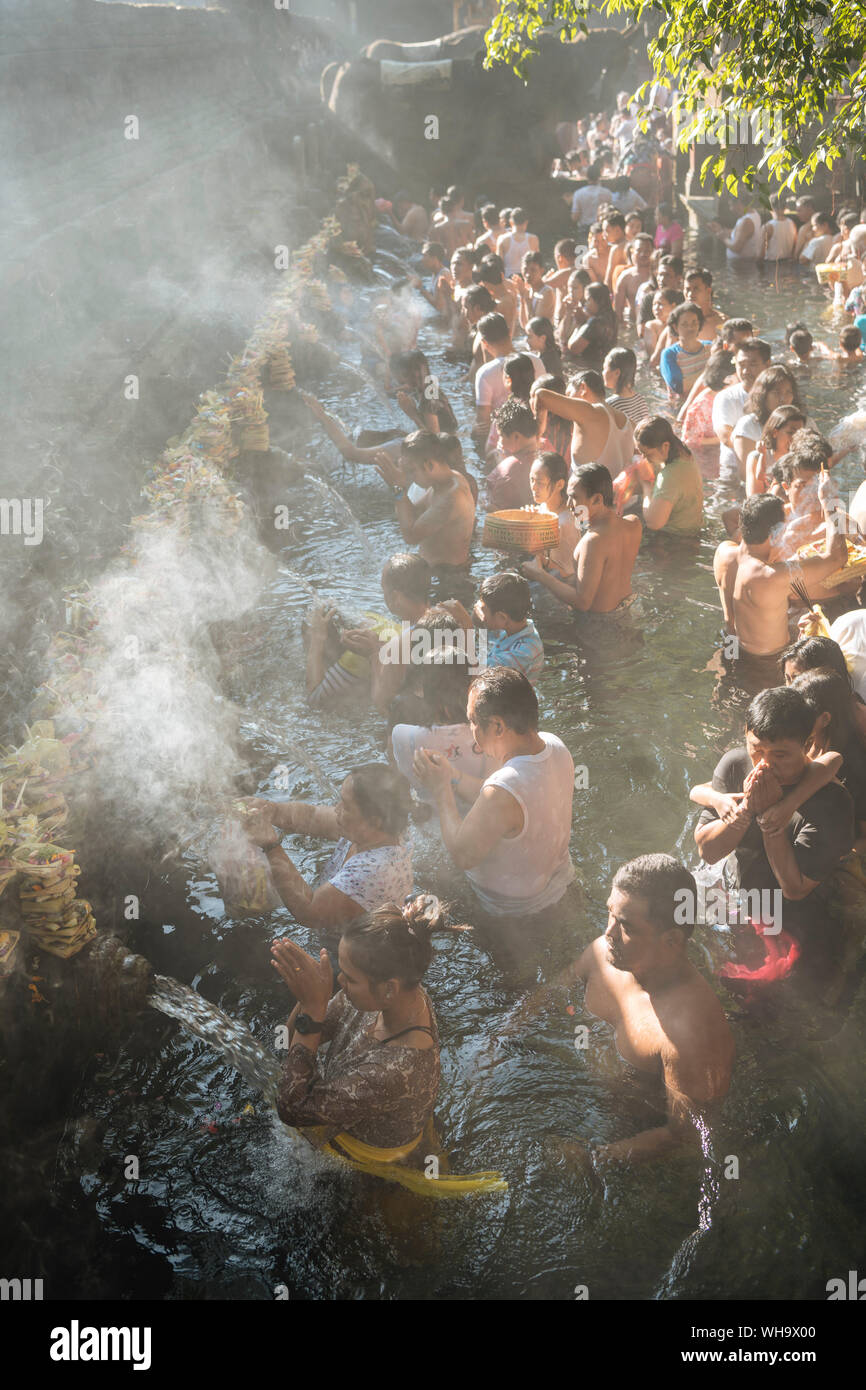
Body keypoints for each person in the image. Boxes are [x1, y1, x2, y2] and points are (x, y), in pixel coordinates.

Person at [270, 899, 505, 1195]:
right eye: (339, 969)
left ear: (389, 988)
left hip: (373, 1168)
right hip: (350, 1120)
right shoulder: (391, 996)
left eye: (349, 978)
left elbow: (291, 1108)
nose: (339, 981)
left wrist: (314, 1006)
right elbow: (291, 1040)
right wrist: (308, 999)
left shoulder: (397, 1068)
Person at [513, 856, 734, 1165]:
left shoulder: (692, 1034)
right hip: (570, 1089)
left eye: (626, 926)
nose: (609, 933)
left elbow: (684, 1135)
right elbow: (551, 993)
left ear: (671, 940)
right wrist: (498, 1042)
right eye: (610, 914)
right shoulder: (603, 955)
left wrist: (594, 1159)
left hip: (623, 1127)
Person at [693, 686, 854, 960]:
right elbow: (708, 852)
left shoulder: (830, 802)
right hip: (737, 893)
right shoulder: (735, 764)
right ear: (745, 733)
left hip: (801, 912)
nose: (764, 764)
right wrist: (745, 810)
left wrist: (771, 821)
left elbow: (795, 890)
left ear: (806, 745)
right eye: (757, 749)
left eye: (780, 755)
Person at [413, 667, 576, 933]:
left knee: (424, 871)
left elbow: (463, 855)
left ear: (498, 726)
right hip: (561, 884)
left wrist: (440, 788)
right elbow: (502, 802)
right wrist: (453, 775)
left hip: (514, 916)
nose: (471, 730)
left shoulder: (504, 790)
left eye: (473, 721)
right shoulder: (554, 745)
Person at [242, 764, 414, 932]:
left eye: (346, 805)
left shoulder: (373, 871)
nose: (337, 809)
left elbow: (308, 912)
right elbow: (313, 816)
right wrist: (271, 810)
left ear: (375, 820)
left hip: (349, 955)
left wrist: (270, 845)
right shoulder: (378, 830)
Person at [712, 490, 846, 666]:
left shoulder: (723, 552)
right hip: (770, 662)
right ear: (774, 533)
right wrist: (832, 506)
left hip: (731, 647)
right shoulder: (774, 576)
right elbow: (838, 557)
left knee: (731, 675)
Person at [306, 553, 430, 711]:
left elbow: (315, 700)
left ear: (394, 597)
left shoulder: (392, 645)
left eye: (383, 590)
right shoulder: (447, 620)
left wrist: (317, 638)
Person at [523, 462, 641, 614]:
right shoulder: (634, 523)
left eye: (574, 497)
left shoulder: (593, 541)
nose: (568, 504)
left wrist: (540, 576)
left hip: (600, 625)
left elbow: (583, 602)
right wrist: (548, 564)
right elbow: (604, 573)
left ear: (597, 499)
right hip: (629, 610)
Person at [391, 652, 486, 804]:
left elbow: (401, 779)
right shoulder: (487, 735)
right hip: (477, 821)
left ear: (424, 688)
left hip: (428, 823)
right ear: (469, 686)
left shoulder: (401, 734)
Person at [375, 430, 476, 574]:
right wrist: (397, 488)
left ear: (430, 465)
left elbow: (410, 536)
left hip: (449, 578)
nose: (409, 478)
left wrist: (398, 489)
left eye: (411, 471)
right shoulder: (443, 483)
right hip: (439, 571)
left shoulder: (452, 498)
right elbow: (415, 512)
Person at [793, 670, 866, 850]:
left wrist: (836, 856)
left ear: (825, 718)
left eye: (801, 714)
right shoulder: (801, 744)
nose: (791, 719)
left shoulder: (852, 768)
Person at [535, 370, 634, 475]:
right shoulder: (629, 422)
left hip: (587, 489)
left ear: (583, 388)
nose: (567, 399)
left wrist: (539, 433)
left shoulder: (590, 412)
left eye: (568, 394)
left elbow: (541, 396)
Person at [473, 312, 543, 451]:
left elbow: (483, 423)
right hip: (536, 432)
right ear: (510, 333)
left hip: (505, 440)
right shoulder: (535, 360)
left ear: (485, 343)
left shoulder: (485, 373)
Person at [711, 337, 773, 485]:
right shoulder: (726, 397)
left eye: (752, 364)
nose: (745, 371)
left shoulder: (779, 394)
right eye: (741, 365)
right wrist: (759, 455)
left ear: (767, 364)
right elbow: (725, 436)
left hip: (772, 469)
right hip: (733, 470)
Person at [635, 416, 704, 536]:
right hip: (694, 529)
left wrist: (646, 486)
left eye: (647, 454)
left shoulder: (670, 475)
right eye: (640, 453)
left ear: (665, 446)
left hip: (673, 540)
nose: (644, 459)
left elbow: (654, 523)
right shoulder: (685, 454)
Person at [731, 366, 801, 477]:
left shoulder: (802, 423)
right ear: (763, 395)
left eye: (788, 392)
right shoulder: (748, 426)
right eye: (777, 392)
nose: (783, 398)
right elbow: (745, 475)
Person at [524, 451, 580, 579]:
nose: (533, 487)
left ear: (559, 484)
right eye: (531, 480)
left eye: (540, 483)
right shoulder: (544, 506)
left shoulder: (566, 523)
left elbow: (568, 573)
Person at [744, 405, 808, 497]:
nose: (796, 438)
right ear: (775, 433)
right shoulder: (757, 457)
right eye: (790, 433)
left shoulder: (804, 459)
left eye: (800, 433)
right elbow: (754, 499)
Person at [486, 399, 539, 508]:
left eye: (501, 436)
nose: (499, 442)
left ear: (516, 436)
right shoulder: (549, 448)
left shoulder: (508, 470)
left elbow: (496, 513)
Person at [659, 302, 714, 400]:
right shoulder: (669, 354)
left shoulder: (711, 347)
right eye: (685, 324)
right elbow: (679, 387)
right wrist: (711, 371)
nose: (690, 328)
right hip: (680, 408)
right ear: (675, 327)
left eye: (694, 322)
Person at [566, 282, 618, 370]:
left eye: (588, 300)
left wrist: (580, 324)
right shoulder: (613, 316)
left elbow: (573, 347)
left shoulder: (595, 322)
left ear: (597, 301)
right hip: (605, 365)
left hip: (590, 367)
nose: (585, 304)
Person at [613, 233, 655, 323]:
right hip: (633, 325)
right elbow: (618, 311)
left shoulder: (660, 275)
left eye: (647, 251)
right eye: (639, 250)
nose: (643, 254)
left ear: (653, 252)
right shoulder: (625, 277)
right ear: (632, 252)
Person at [602, 347, 650, 425]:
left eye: (604, 368)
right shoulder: (640, 400)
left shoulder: (610, 405)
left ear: (617, 373)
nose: (603, 373)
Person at [496, 207, 540, 278]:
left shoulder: (502, 239)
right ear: (526, 222)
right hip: (528, 278)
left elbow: (498, 264)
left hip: (509, 279)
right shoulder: (534, 239)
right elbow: (538, 263)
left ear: (511, 222)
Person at [642, 287, 684, 359]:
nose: (656, 308)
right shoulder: (651, 326)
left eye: (660, 304)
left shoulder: (682, 324)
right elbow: (652, 355)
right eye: (654, 304)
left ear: (673, 306)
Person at [571, 161, 607, 231]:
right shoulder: (607, 193)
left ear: (587, 176)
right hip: (600, 229)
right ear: (599, 176)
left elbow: (575, 217)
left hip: (584, 230)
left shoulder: (578, 193)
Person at [760, 194, 797, 262]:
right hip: (788, 263)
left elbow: (761, 253)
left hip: (771, 265)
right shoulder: (792, 223)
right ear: (785, 207)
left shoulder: (768, 226)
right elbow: (794, 246)